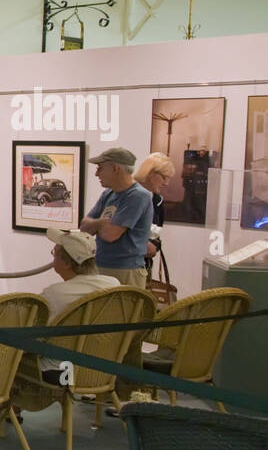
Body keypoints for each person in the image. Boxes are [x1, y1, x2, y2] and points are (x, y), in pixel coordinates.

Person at [79, 147, 154, 403]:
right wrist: (103, 223)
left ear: (115, 168)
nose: (97, 173)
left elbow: (110, 234)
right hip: (102, 268)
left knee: (127, 335)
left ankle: (131, 393)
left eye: (101, 167)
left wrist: (100, 224)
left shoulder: (139, 197)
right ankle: (102, 387)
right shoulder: (108, 194)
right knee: (101, 331)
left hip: (127, 272)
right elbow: (84, 225)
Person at [35, 229, 119, 382]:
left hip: (60, 370)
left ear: (67, 263)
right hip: (104, 367)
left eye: (55, 253)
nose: (53, 257)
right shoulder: (113, 284)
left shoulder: (54, 294)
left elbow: (34, 338)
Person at [134, 151, 175, 274]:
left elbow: (155, 236)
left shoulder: (157, 201)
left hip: (143, 268)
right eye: (164, 177)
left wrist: (153, 246)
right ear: (151, 173)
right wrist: (142, 247)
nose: (166, 183)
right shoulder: (128, 195)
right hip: (122, 266)